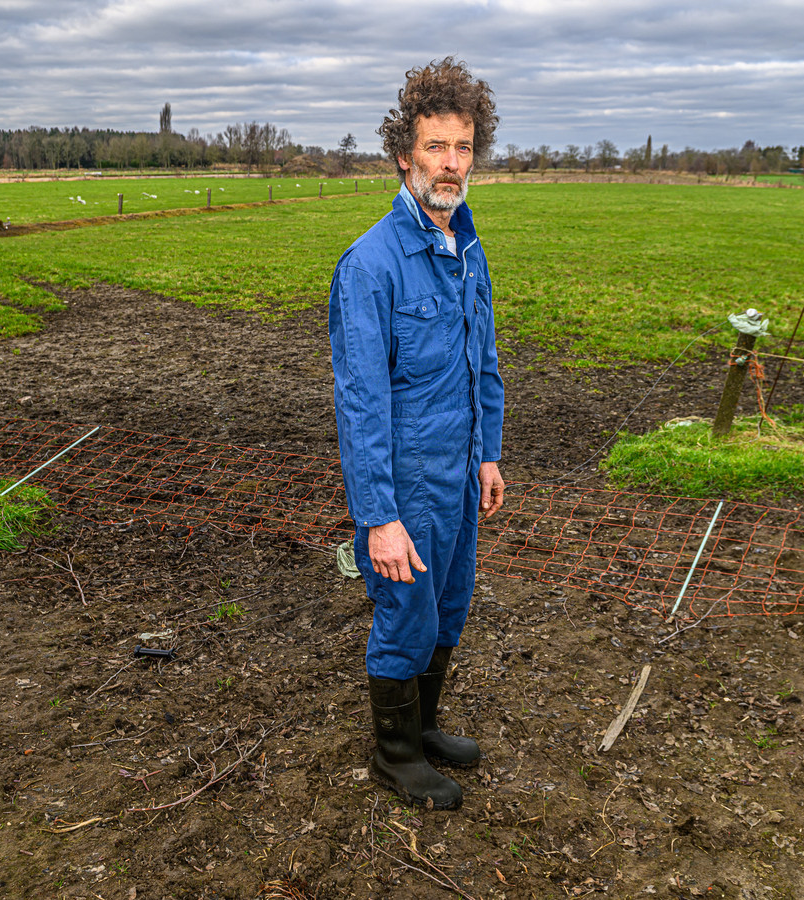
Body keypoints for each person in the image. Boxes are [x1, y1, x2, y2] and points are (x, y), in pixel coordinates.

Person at [328, 57, 505, 810]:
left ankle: (425, 727)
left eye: (463, 148)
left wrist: (489, 453)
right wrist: (378, 518)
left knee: (450, 605)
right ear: (405, 153)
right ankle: (395, 756)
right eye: (437, 147)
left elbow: (484, 363)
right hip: (404, 484)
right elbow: (360, 404)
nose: (451, 164)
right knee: (406, 614)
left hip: (459, 475)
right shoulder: (370, 266)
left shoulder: (469, 251)